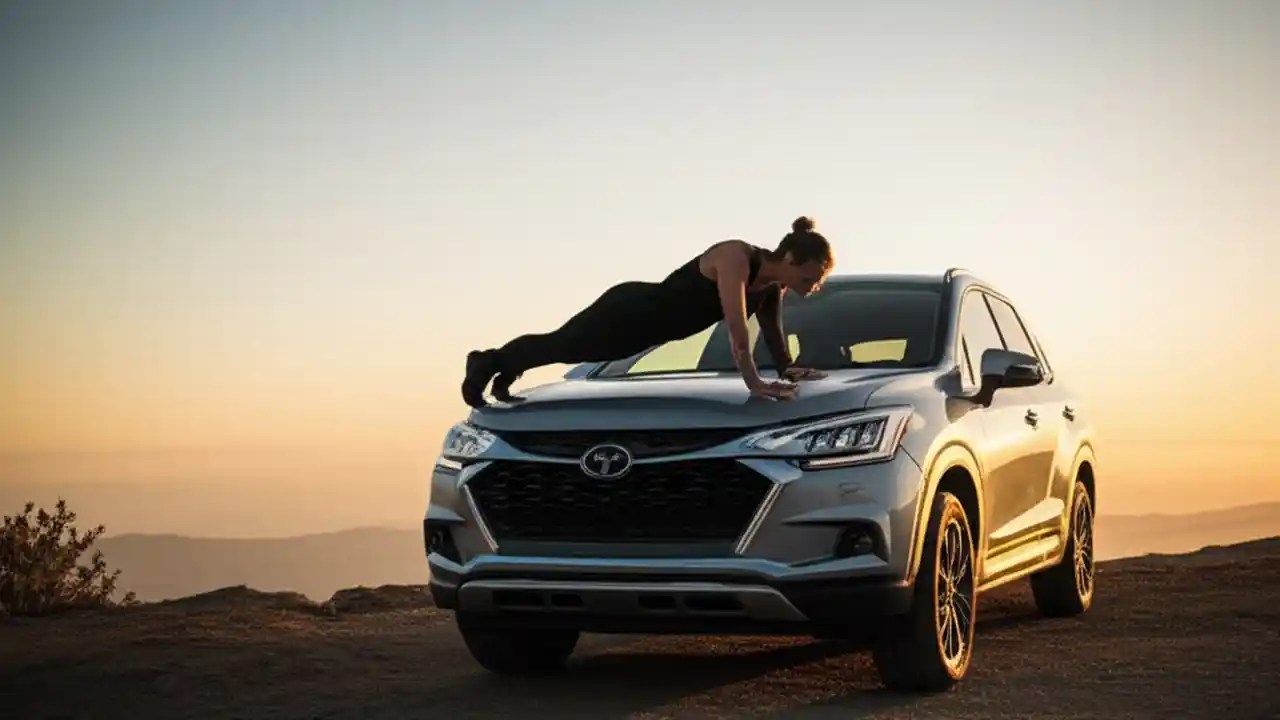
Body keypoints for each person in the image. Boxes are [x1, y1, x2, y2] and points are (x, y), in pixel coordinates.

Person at [461, 216, 836, 408]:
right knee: (566, 345)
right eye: (811, 275)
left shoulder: (773, 288)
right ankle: (487, 360)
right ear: (789, 257)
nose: (814, 285)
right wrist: (754, 382)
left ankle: (506, 367)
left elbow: (773, 336)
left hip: (650, 332)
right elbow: (737, 330)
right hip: (631, 310)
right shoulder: (735, 257)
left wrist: (788, 368)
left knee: (564, 347)